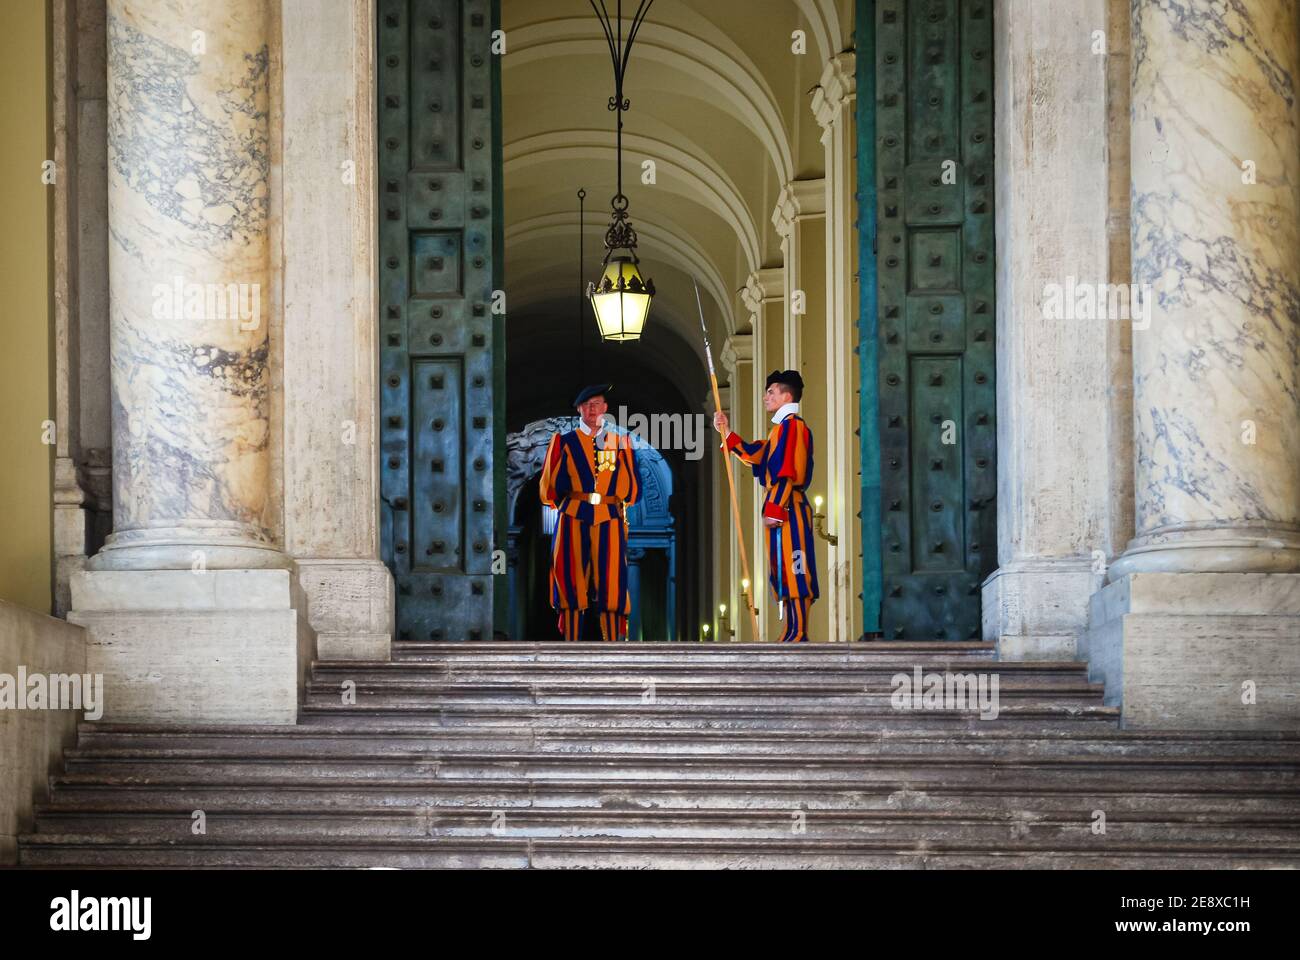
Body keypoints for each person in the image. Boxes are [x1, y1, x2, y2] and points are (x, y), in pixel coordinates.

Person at [713, 369, 819, 642]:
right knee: (781, 569)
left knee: (796, 567)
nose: (765, 397)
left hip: (788, 507)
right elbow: (755, 454)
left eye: (771, 392)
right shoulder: (778, 432)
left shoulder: (793, 427)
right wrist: (726, 431)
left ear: (787, 395)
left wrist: (773, 508)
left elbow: (787, 472)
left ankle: (799, 630)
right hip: (781, 507)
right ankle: (790, 628)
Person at [539, 384, 641, 641]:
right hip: (574, 514)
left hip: (609, 516)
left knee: (612, 579)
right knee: (570, 577)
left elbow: (633, 486)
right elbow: (549, 486)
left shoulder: (620, 442)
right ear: (579, 410)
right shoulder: (563, 442)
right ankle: (571, 645)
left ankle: (613, 646)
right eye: (587, 405)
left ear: (605, 408)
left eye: (597, 403)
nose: (592, 409)